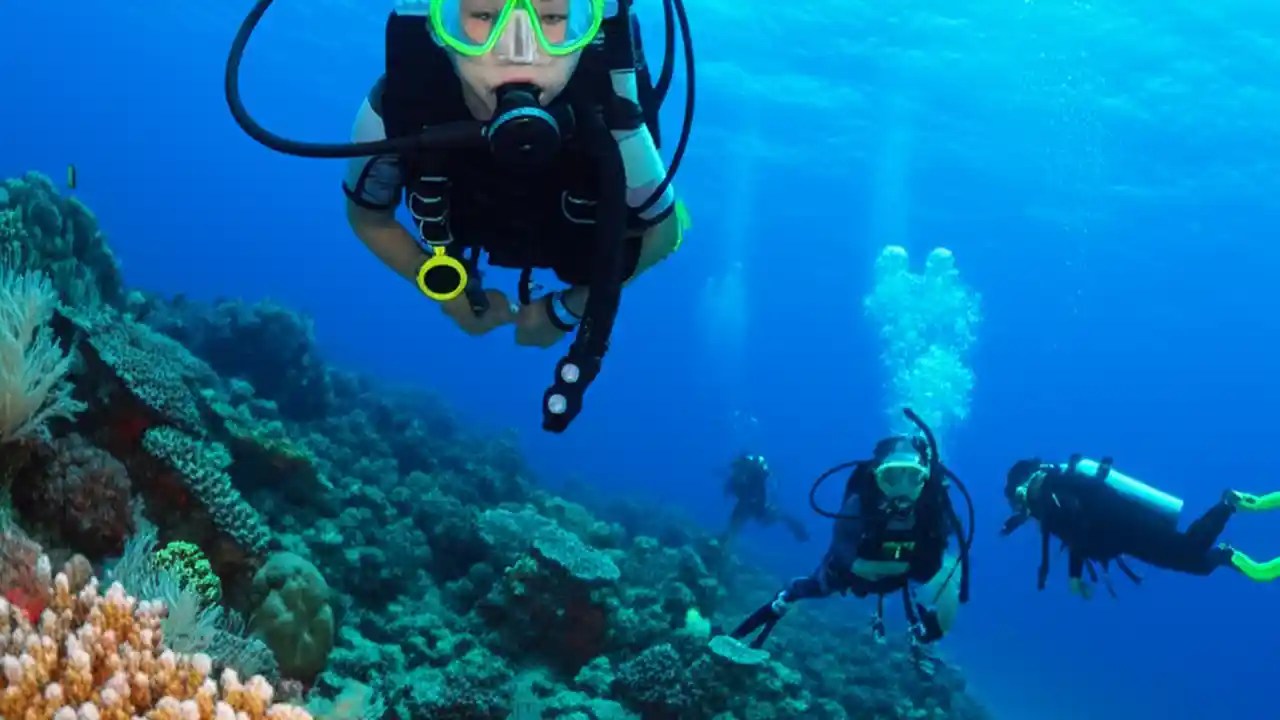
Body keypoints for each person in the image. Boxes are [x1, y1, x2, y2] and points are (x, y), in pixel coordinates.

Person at [223, 0, 695, 432]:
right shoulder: (398, 108)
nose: (518, 50)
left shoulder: (614, 115)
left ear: (590, 31)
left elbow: (664, 233)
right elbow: (369, 218)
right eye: (484, 15)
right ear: (437, 23)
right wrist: (444, 288)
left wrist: (565, 308)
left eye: (552, 18)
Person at [729, 410, 974, 654]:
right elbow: (842, 550)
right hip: (857, 574)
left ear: (925, 481)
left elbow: (928, 569)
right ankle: (743, 633)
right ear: (877, 478)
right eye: (892, 477)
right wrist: (890, 568)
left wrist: (874, 568)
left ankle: (913, 634)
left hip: (887, 577)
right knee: (805, 589)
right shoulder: (861, 503)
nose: (902, 489)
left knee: (924, 610)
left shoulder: (933, 514)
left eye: (913, 479)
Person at [1001, 455, 1280, 595]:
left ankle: (1229, 503)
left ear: (1022, 487)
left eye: (1017, 501)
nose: (1021, 510)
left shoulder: (1049, 492)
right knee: (1199, 564)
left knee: (1190, 549)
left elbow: (1078, 526)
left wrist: (1074, 576)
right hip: (1124, 537)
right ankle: (1227, 554)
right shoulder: (1051, 493)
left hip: (1128, 524)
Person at [722, 454, 810, 544]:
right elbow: (735, 491)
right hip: (749, 503)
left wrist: (760, 506)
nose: (735, 471)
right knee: (738, 520)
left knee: (770, 517)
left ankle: (798, 527)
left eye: (737, 468)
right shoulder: (740, 477)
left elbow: (761, 493)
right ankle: (727, 540)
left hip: (756, 503)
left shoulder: (755, 477)